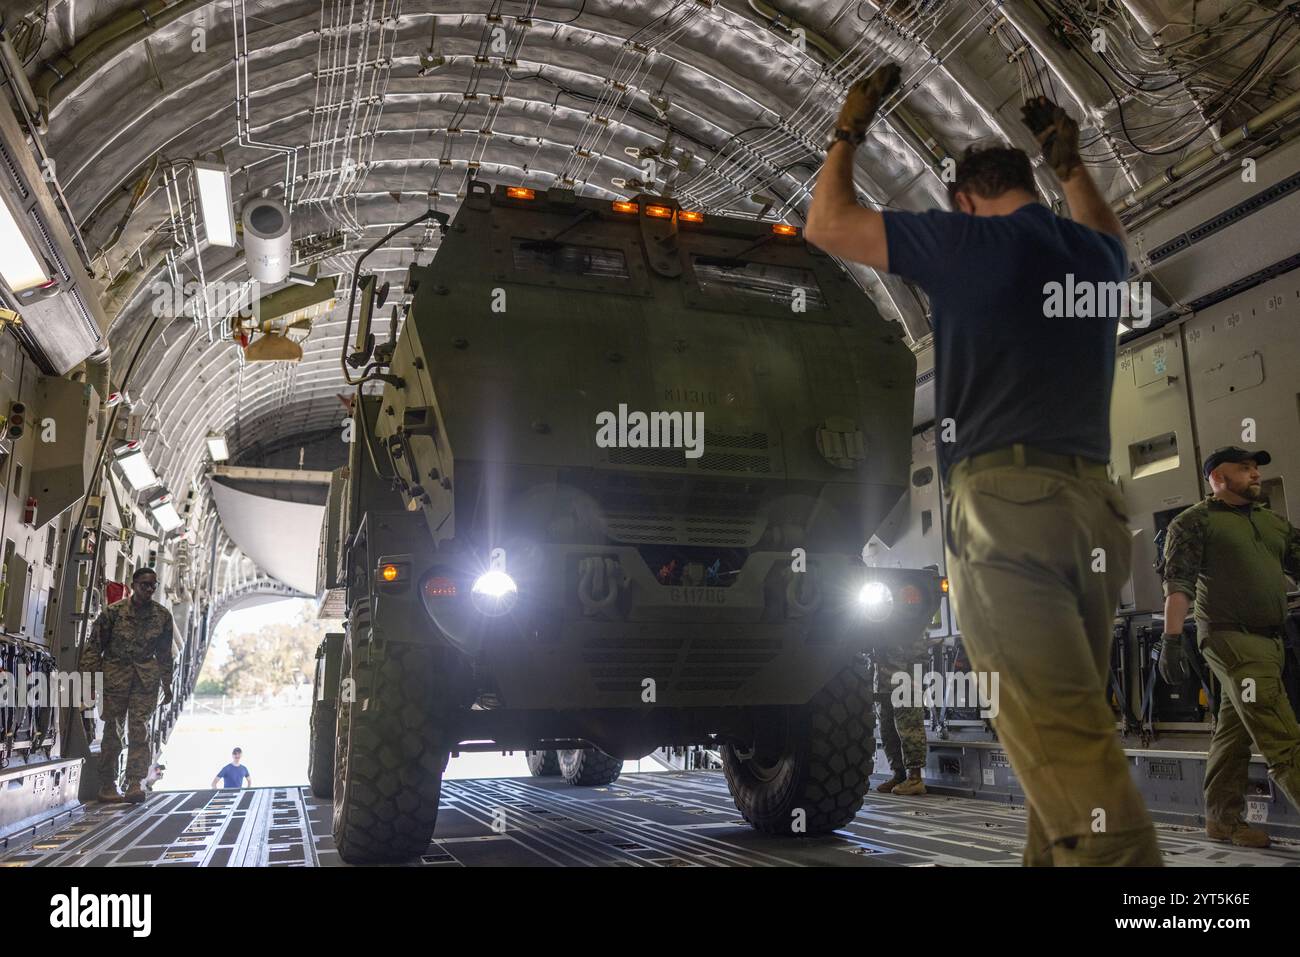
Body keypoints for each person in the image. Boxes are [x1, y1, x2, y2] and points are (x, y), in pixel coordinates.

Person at [805, 66, 1162, 865]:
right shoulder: (1093, 256)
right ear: (1036, 184)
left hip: (1008, 515)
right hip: (1094, 513)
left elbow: (827, 225)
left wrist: (848, 129)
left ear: (964, 198)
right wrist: (1075, 169)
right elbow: (1111, 235)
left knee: (1071, 761)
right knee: (1064, 738)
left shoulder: (962, 239)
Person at [1160, 446, 1300, 848]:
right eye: (1245, 468)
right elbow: (1179, 586)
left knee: (1233, 732)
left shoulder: (1271, 523)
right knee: (1282, 735)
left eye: (1256, 468)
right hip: (1230, 639)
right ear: (1218, 478)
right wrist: (1171, 640)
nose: (1255, 474)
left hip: (1272, 639)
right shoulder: (1193, 522)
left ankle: (1223, 820)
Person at [79, 567, 176, 804]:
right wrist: (89, 681)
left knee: (139, 730)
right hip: (115, 677)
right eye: (144, 585)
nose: (149, 589)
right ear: (134, 585)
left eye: (153, 585)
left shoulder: (162, 616)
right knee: (112, 730)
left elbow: (165, 654)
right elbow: (94, 648)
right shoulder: (113, 613)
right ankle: (107, 784)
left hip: (145, 680)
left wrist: (167, 683)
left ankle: (135, 782)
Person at [873, 632, 930, 795]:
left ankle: (915, 779)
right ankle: (898, 775)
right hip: (884, 674)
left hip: (906, 673)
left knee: (909, 724)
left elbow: (918, 652)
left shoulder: (911, 619)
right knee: (887, 727)